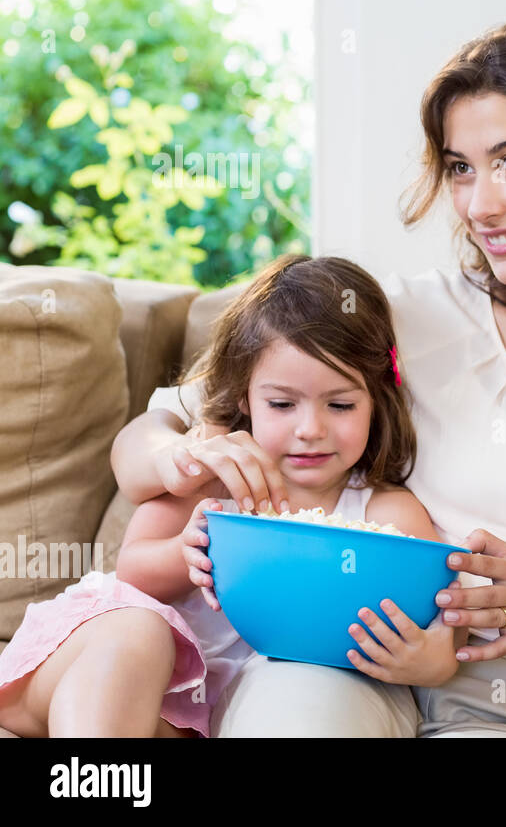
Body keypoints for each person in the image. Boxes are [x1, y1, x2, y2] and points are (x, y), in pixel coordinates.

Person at [109, 16, 506, 737]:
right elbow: (162, 423)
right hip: (391, 666)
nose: (481, 205)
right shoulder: (409, 317)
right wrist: (182, 454)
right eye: (460, 168)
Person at [0, 255, 451, 737]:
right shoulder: (215, 468)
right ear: (245, 399)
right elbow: (133, 571)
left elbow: (440, 622)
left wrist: (427, 662)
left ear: (377, 399)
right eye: (281, 404)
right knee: (142, 631)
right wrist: (186, 553)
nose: (310, 430)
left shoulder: (382, 511)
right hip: (91, 669)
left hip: (185, 717)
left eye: (340, 405)